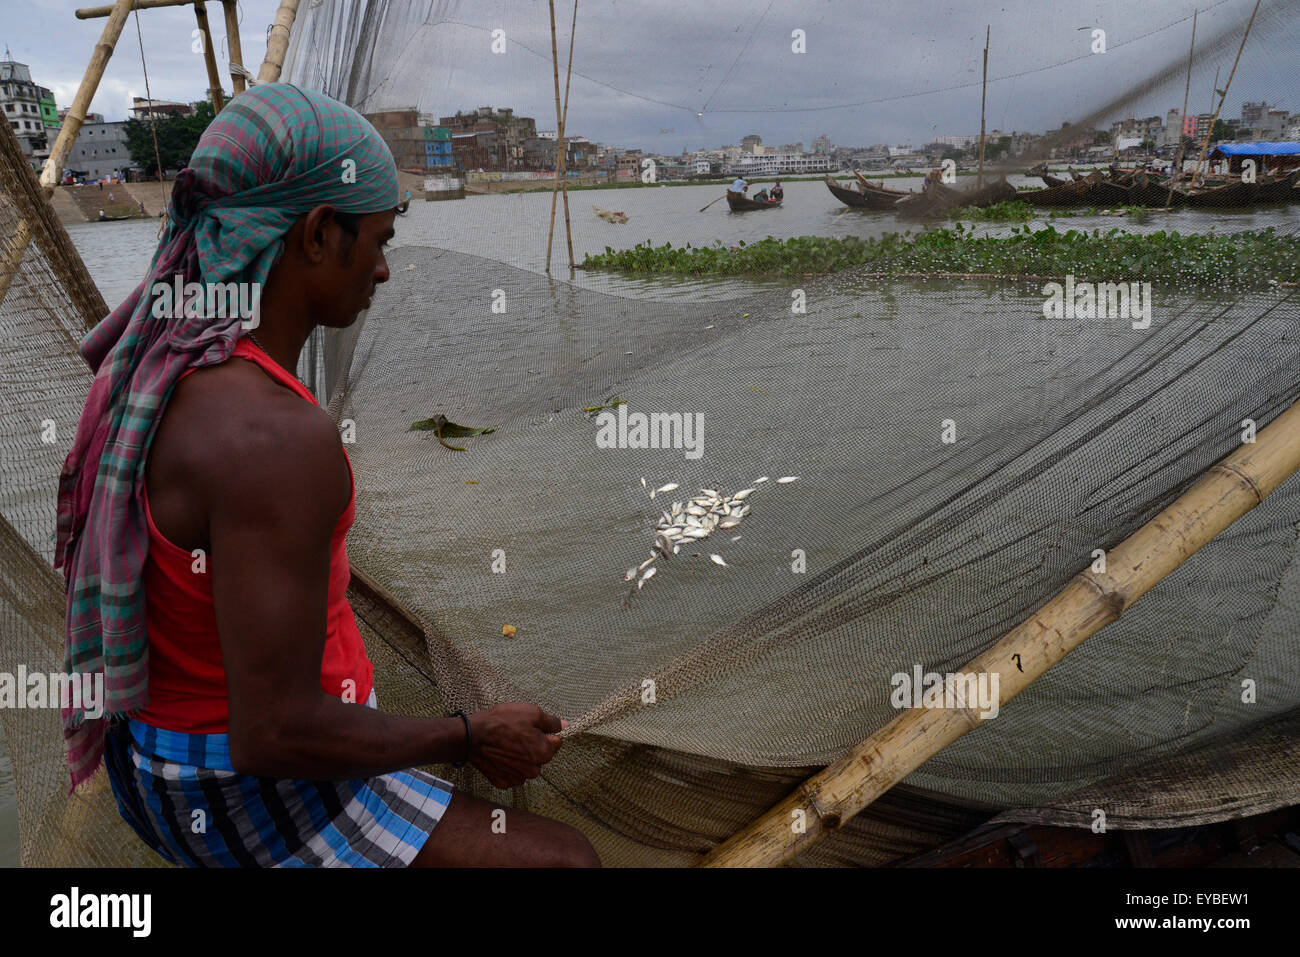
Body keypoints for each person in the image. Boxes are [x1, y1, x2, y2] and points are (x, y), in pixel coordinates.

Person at [55, 83, 600, 869]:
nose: (381, 270)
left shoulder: (161, 363)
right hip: (240, 790)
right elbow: (273, 733)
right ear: (316, 234)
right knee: (566, 861)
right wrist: (470, 736)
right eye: (375, 242)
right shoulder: (274, 437)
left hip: (148, 760)